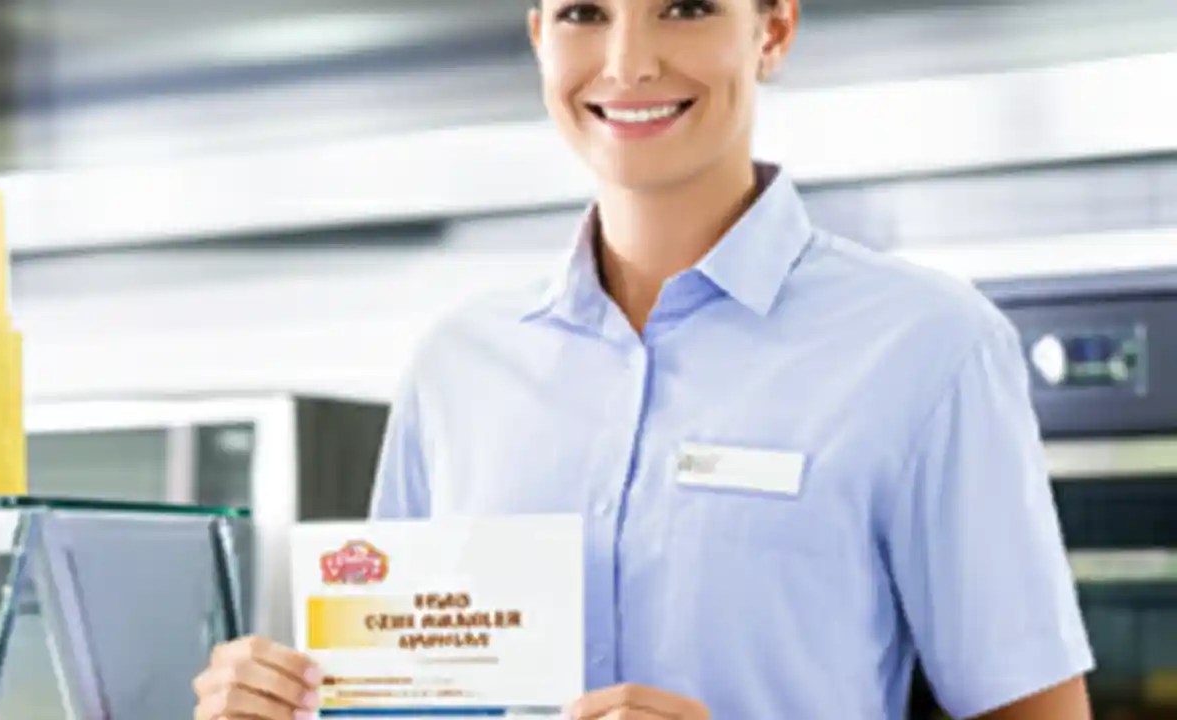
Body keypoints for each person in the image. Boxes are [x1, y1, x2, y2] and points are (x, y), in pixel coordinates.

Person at [192, 0, 1096, 718]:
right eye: (586, 12)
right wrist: (286, 706)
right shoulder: (458, 366)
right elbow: (405, 706)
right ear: (539, 35)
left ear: (773, 27)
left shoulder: (929, 347)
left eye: (687, 8)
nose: (628, 63)